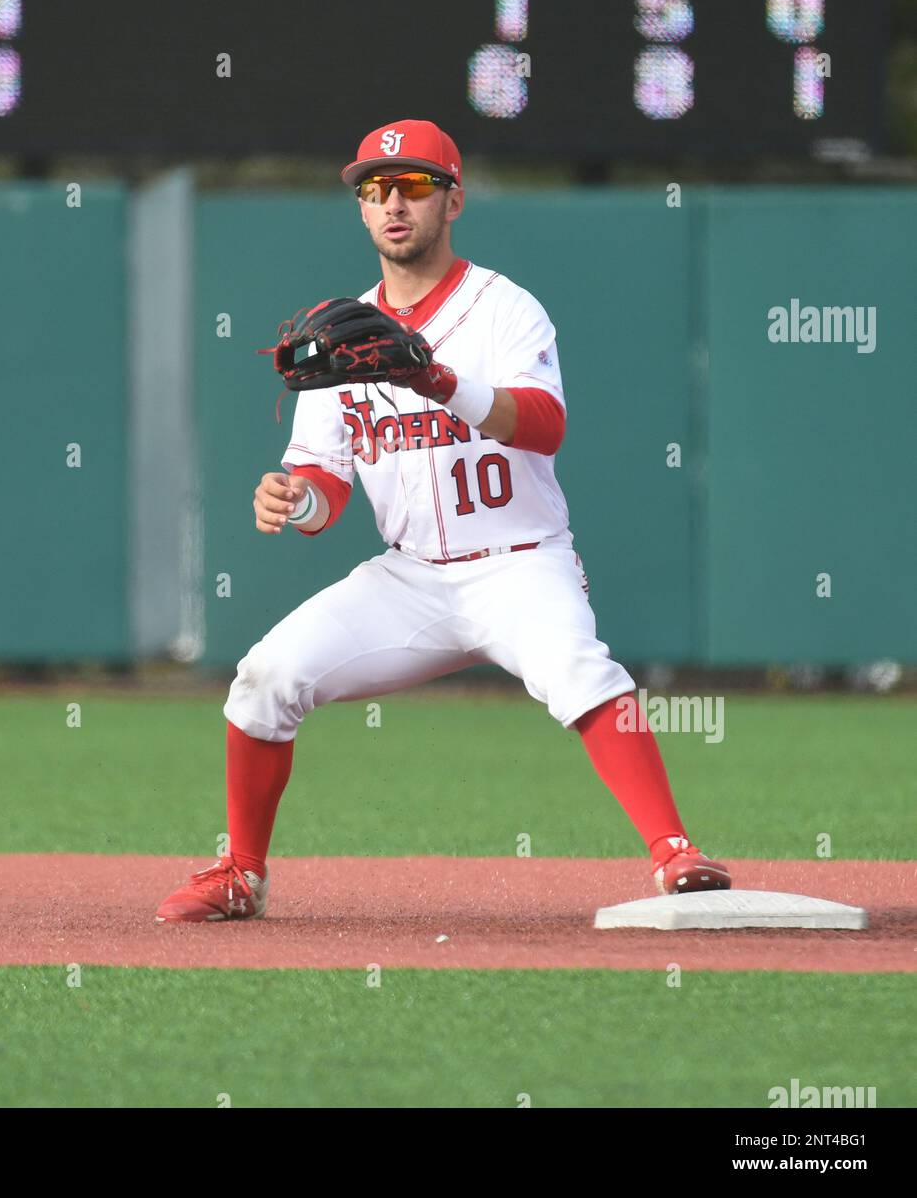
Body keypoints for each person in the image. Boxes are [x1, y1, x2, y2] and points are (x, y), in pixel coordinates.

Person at [156, 119, 730, 923]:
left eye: (414, 186)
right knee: (263, 678)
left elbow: (542, 423)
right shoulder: (341, 337)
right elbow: (326, 480)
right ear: (360, 210)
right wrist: (295, 499)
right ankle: (239, 873)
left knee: (580, 673)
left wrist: (435, 379)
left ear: (452, 199)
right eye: (374, 189)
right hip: (414, 575)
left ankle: (676, 855)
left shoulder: (504, 308)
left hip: (519, 559)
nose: (392, 201)